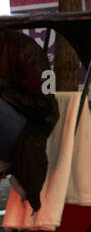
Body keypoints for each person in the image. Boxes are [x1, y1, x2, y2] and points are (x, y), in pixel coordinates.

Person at [0, 27, 58, 211]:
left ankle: (8, 161)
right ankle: (6, 162)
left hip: (32, 123)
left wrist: (4, 92)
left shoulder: (24, 48)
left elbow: (46, 105)